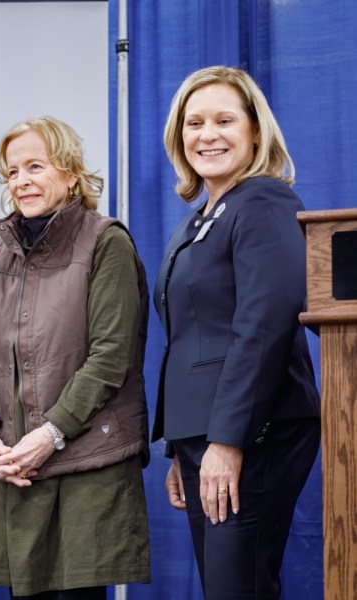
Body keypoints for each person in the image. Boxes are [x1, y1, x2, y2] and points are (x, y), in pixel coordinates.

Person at [154, 66, 321, 599]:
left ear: (254, 130)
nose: (207, 135)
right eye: (194, 122)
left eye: (224, 120)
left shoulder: (264, 202)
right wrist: (182, 450)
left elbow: (263, 328)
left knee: (238, 589)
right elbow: (190, 339)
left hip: (254, 434)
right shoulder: (200, 217)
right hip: (204, 438)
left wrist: (226, 441)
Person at [0, 116, 151, 599]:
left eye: (36, 166)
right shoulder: (1, 255)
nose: (22, 181)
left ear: (70, 173)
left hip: (87, 468)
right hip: (18, 469)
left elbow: (112, 357)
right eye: (12, 172)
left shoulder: (106, 241)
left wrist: (49, 435)